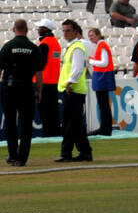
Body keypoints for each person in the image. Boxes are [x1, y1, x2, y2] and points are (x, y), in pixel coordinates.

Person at [0, 19, 44, 166]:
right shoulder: (33, 48)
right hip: (26, 88)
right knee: (25, 125)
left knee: (10, 123)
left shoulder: (7, 46)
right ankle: (22, 158)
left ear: (14, 29)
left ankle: (12, 155)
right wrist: (38, 91)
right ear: (26, 29)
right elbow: (38, 74)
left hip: (9, 88)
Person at [55, 19, 92, 163]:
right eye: (63, 30)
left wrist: (70, 82)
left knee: (70, 123)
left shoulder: (76, 47)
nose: (65, 33)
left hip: (73, 89)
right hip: (72, 89)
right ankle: (85, 152)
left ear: (75, 31)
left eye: (68, 30)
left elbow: (77, 68)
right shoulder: (72, 47)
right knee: (75, 123)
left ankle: (66, 153)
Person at [36, 18, 62, 137]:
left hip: (44, 81)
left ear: (45, 29)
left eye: (40, 27)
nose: (38, 29)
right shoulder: (55, 42)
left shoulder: (44, 43)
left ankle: (48, 133)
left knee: (45, 110)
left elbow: (40, 64)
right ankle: (55, 131)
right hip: (54, 80)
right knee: (53, 109)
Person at [87, 27, 115, 136]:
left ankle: (105, 129)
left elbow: (104, 63)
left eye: (92, 35)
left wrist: (91, 61)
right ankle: (105, 128)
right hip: (101, 77)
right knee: (103, 105)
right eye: (89, 36)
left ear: (98, 35)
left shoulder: (102, 45)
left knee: (103, 105)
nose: (90, 38)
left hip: (102, 77)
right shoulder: (100, 45)